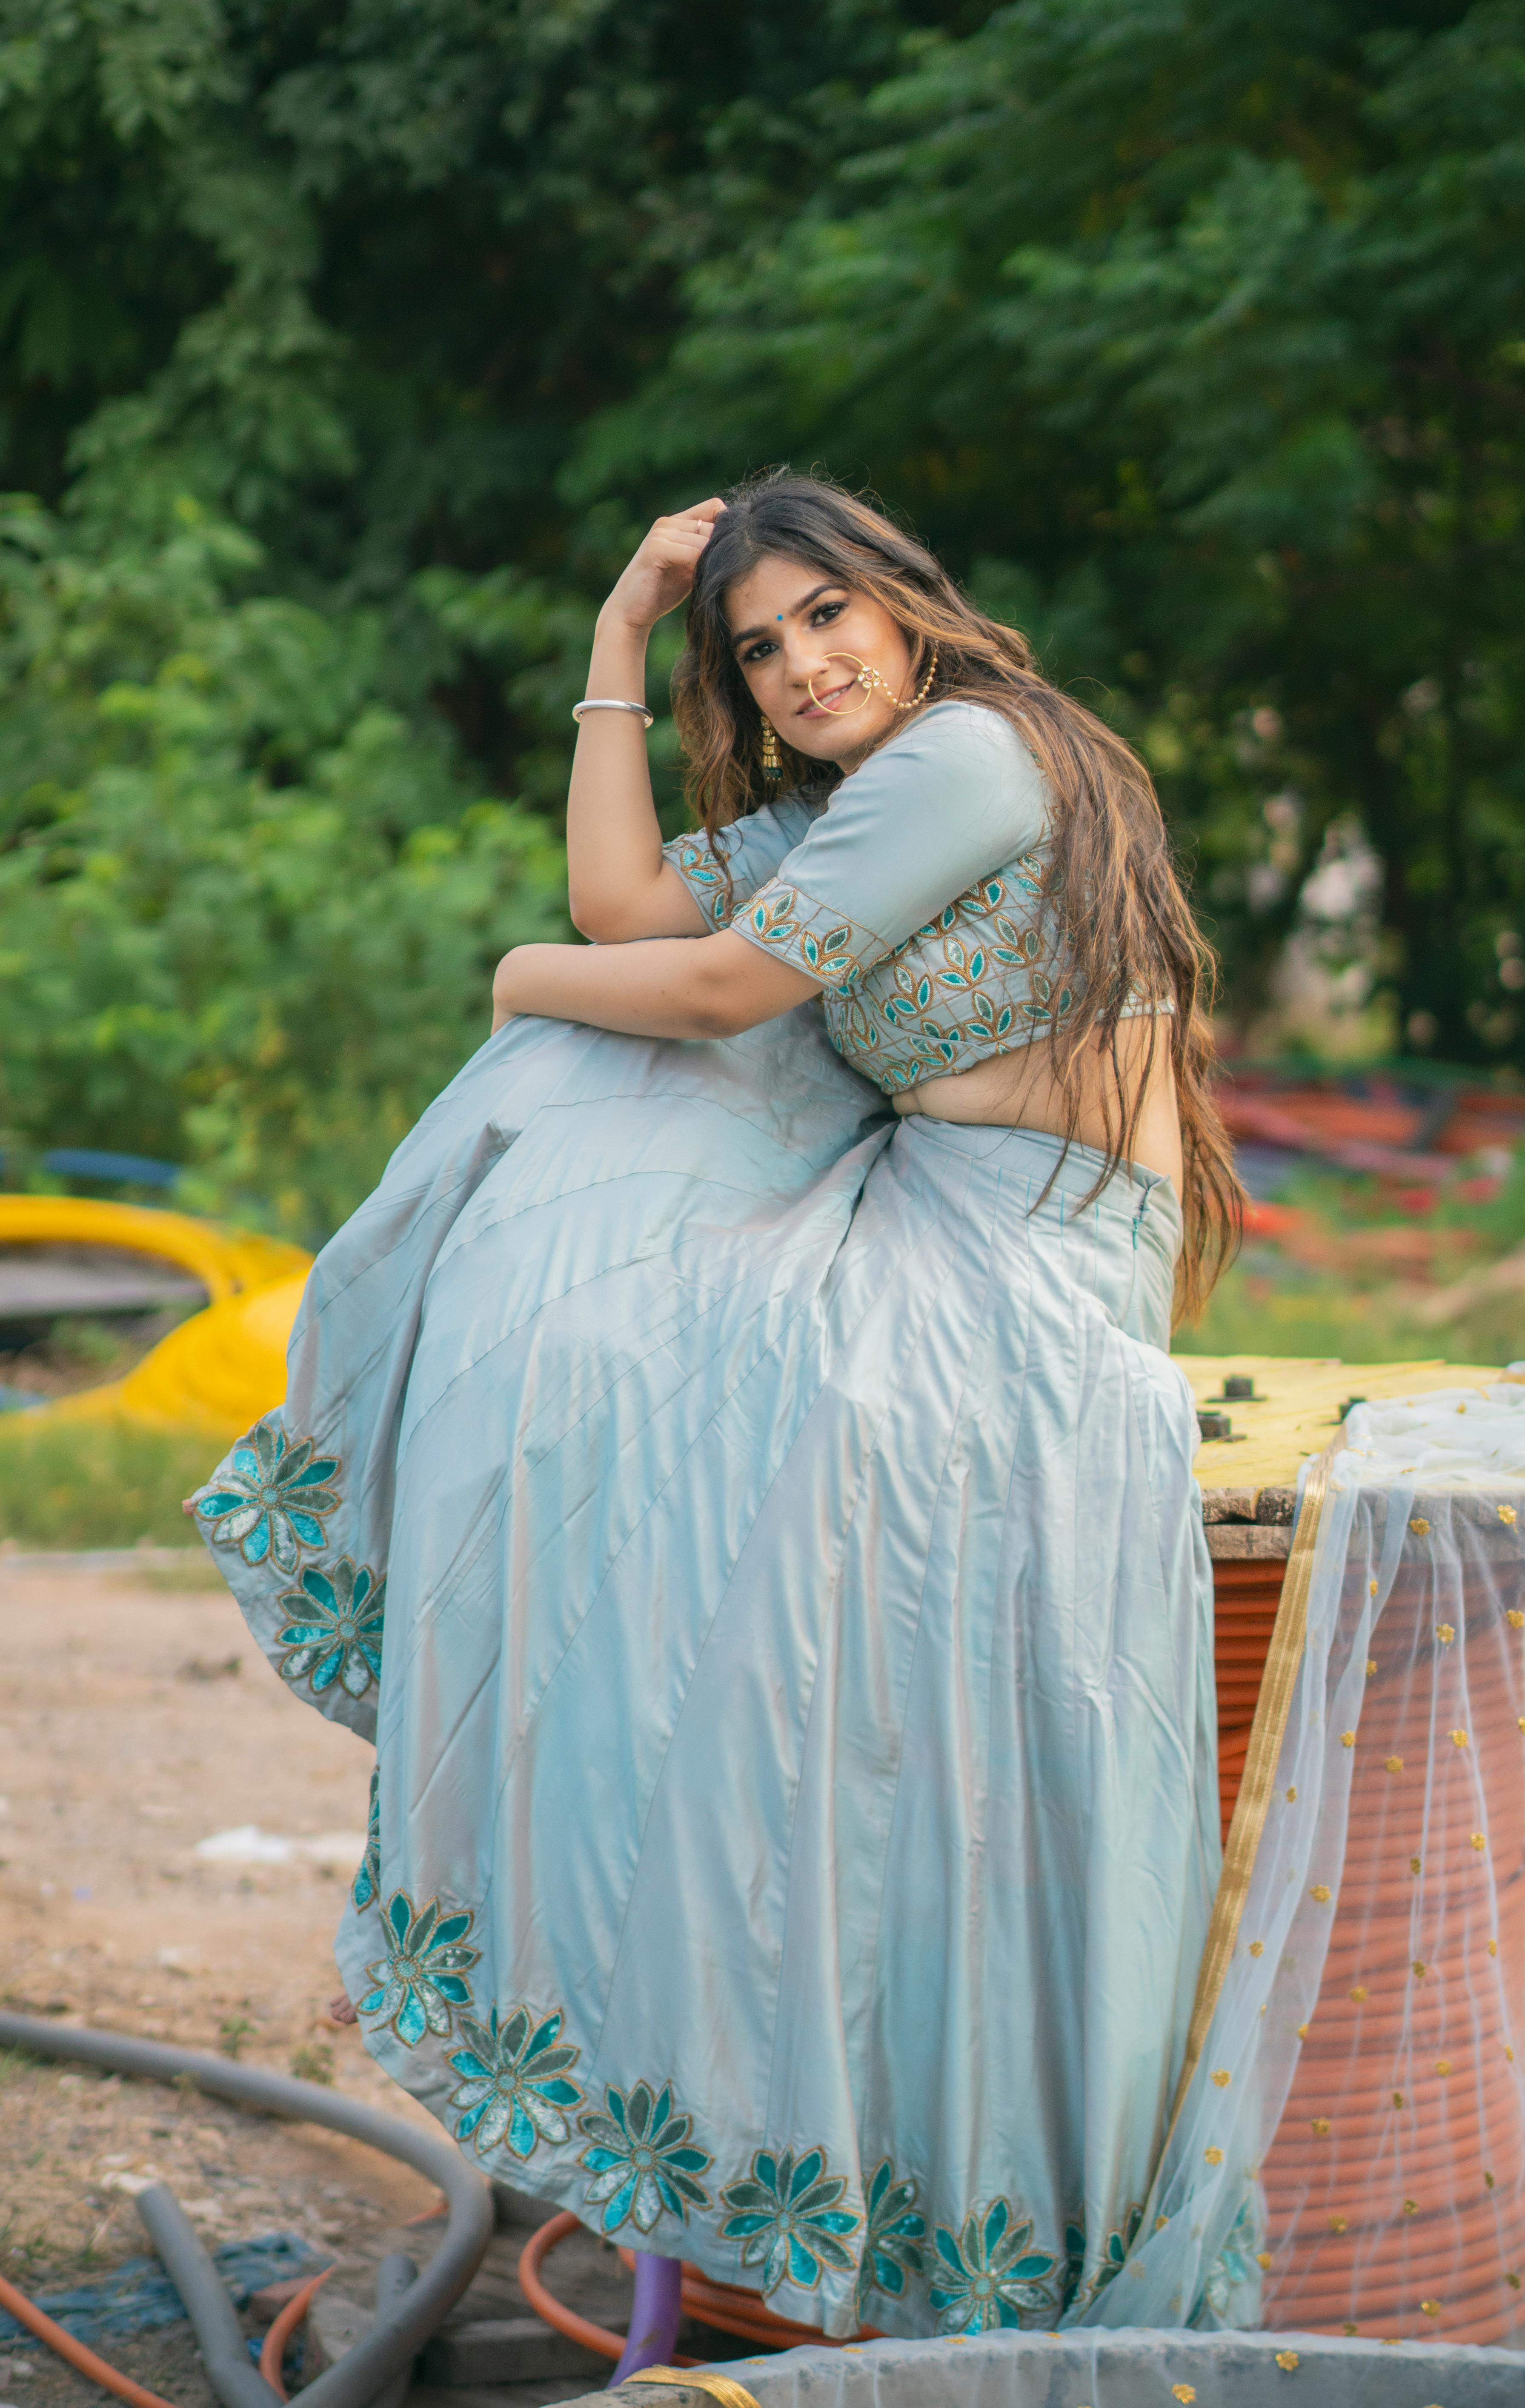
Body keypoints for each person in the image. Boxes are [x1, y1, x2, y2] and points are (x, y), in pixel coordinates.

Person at [189, 473, 1242, 2368]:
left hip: (1021, 1282)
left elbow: (710, 979)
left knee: (579, 1059)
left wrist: (511, 983)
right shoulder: (841, 809)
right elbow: (623, 897)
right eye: (757, 650)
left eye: (826, 616)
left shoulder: (978, 754)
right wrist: (615, 632)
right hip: (934, 1228)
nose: (802, 664)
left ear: (906, 608)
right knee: (611, 1317)